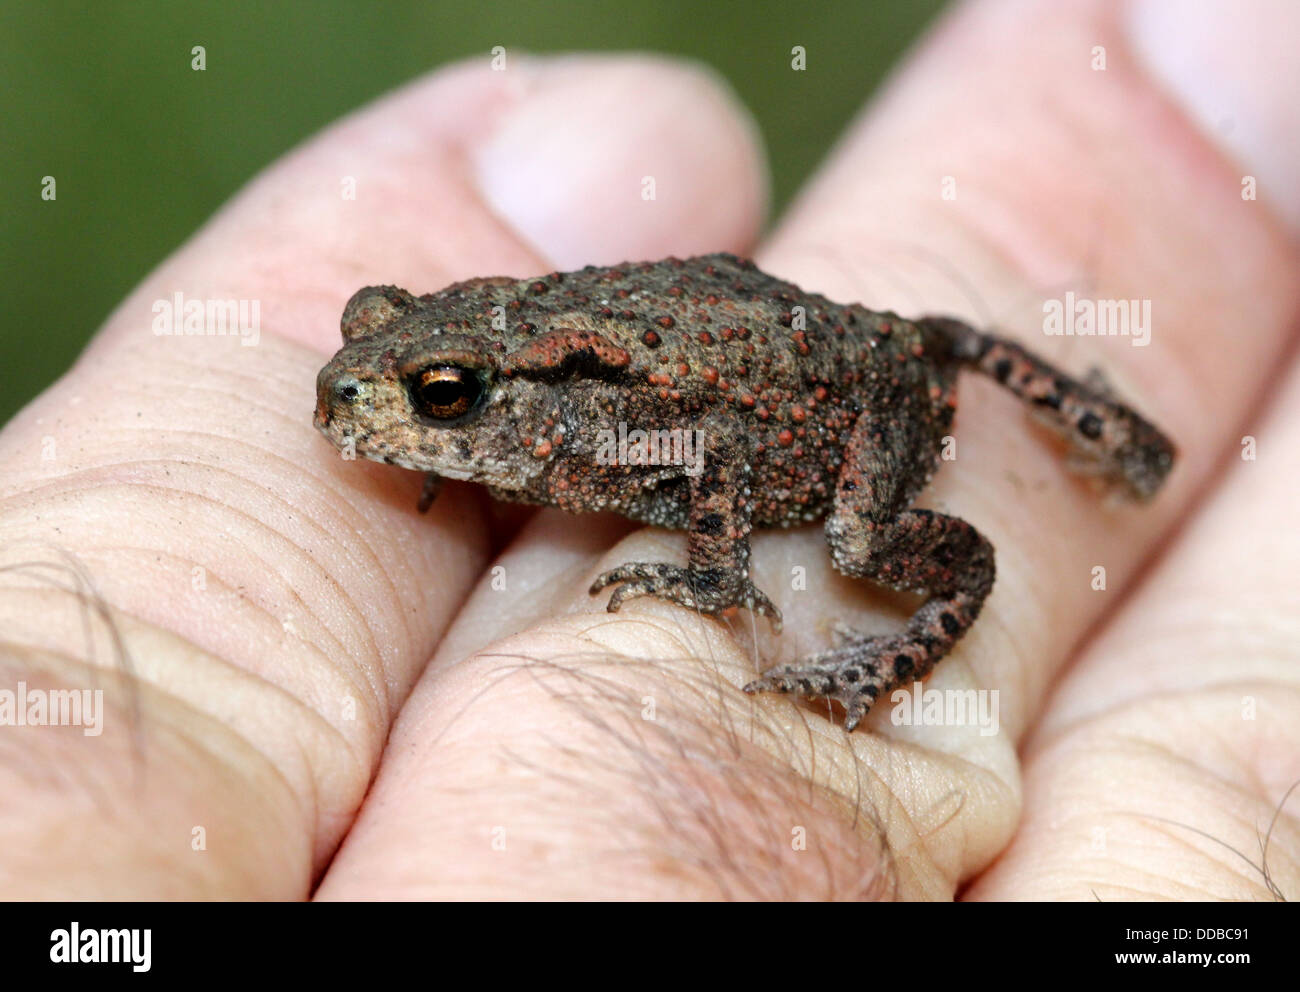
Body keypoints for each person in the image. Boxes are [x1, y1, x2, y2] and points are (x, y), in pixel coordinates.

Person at [1, 0, 1296, 899]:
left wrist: (720, 578)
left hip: (844, 401)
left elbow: (712, 454)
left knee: (863, 540)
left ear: (512, 395)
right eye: (394, 359)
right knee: (934, 334)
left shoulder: (599, 428)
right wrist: (447, 430)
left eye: (438, 394)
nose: (373, 400)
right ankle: (1085, 414)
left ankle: (1066, 467)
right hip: (792, 335)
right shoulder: (538, 411)